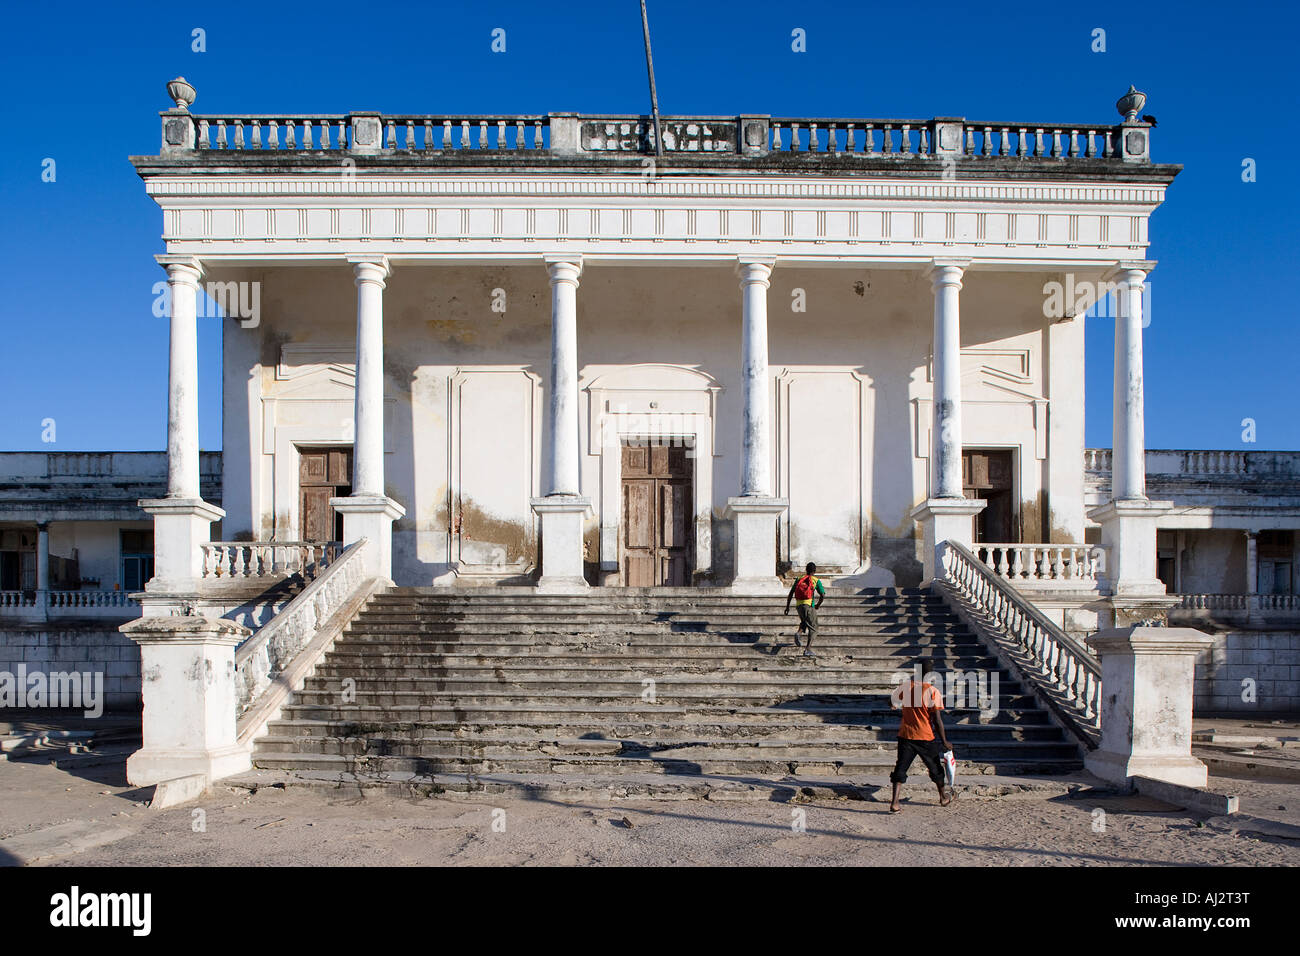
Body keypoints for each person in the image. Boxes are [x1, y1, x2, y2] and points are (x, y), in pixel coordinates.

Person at [888, 665, 955, 812]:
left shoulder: (906, 687)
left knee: (901, 767)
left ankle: (895, 802)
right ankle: (943, 797)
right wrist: (944, 741)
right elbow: (937, 720)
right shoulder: (932, 691)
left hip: (906, 735)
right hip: (925, 736)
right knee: (935, 768)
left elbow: (891, 701)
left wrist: (895, 705)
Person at [784, 562, 825, 657]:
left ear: (806, 570)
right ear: (814, 571)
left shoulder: (799, 579)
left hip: (799, 605)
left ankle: (798, 633)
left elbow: (791, 593)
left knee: (804, 622)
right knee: (814, 627)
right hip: (809, 605)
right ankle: (808, 649)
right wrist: (818, 604)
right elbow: (822, 595)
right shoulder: (815, 580)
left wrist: (787, 607)